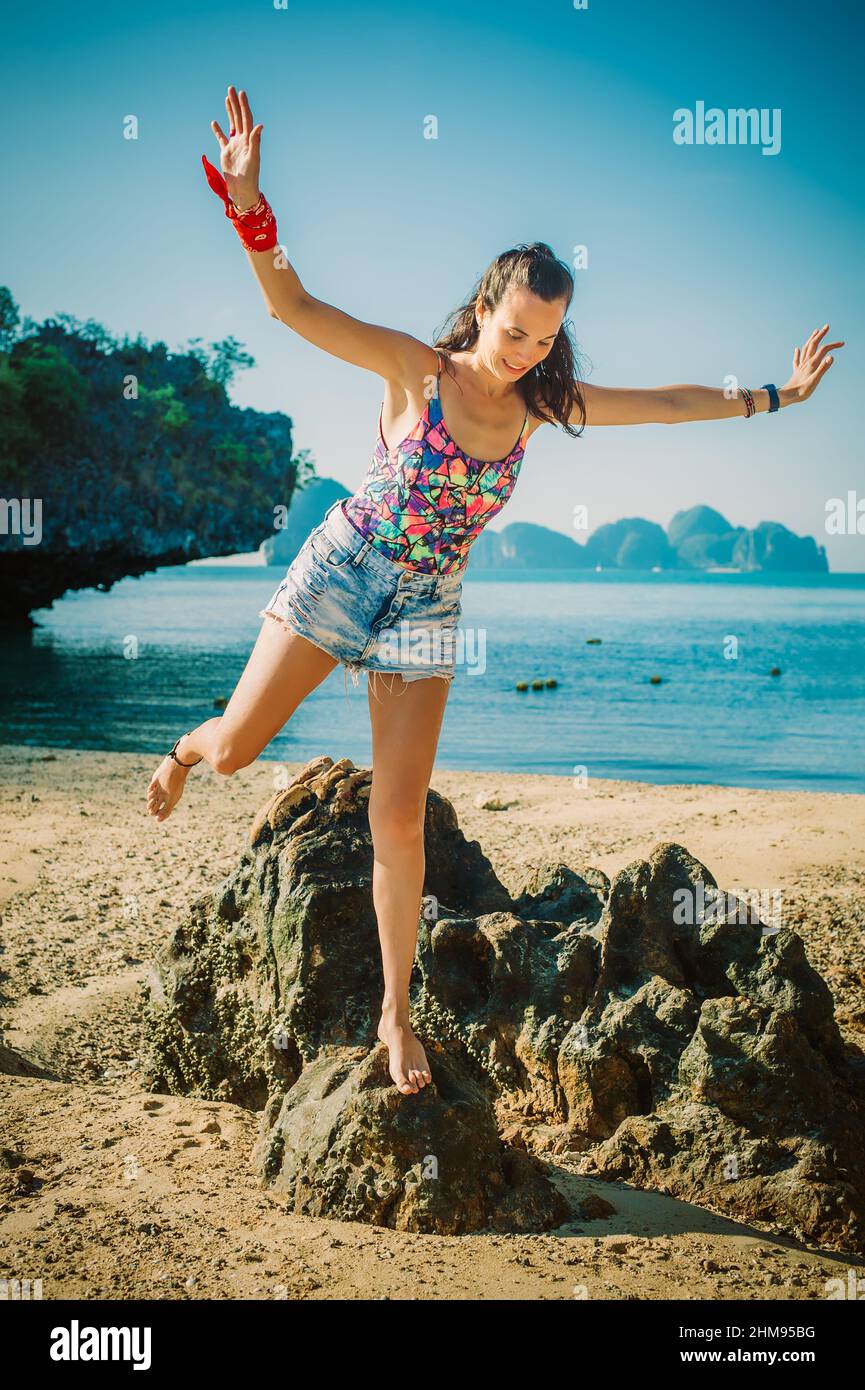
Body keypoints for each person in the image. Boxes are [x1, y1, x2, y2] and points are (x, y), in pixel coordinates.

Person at [147, 84, 843, 1097]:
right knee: (237, 749)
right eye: (514, 330)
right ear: (485, 307)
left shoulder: (538, 408)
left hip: (428, 607)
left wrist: (775, 395)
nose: (525, 352)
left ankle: (395, 1016)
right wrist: (249, 206)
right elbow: (289, 306)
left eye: (544, 339)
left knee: (398, 817)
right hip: (346, 567)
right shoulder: (415, 371)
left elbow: (664, 404)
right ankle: (183, 745)